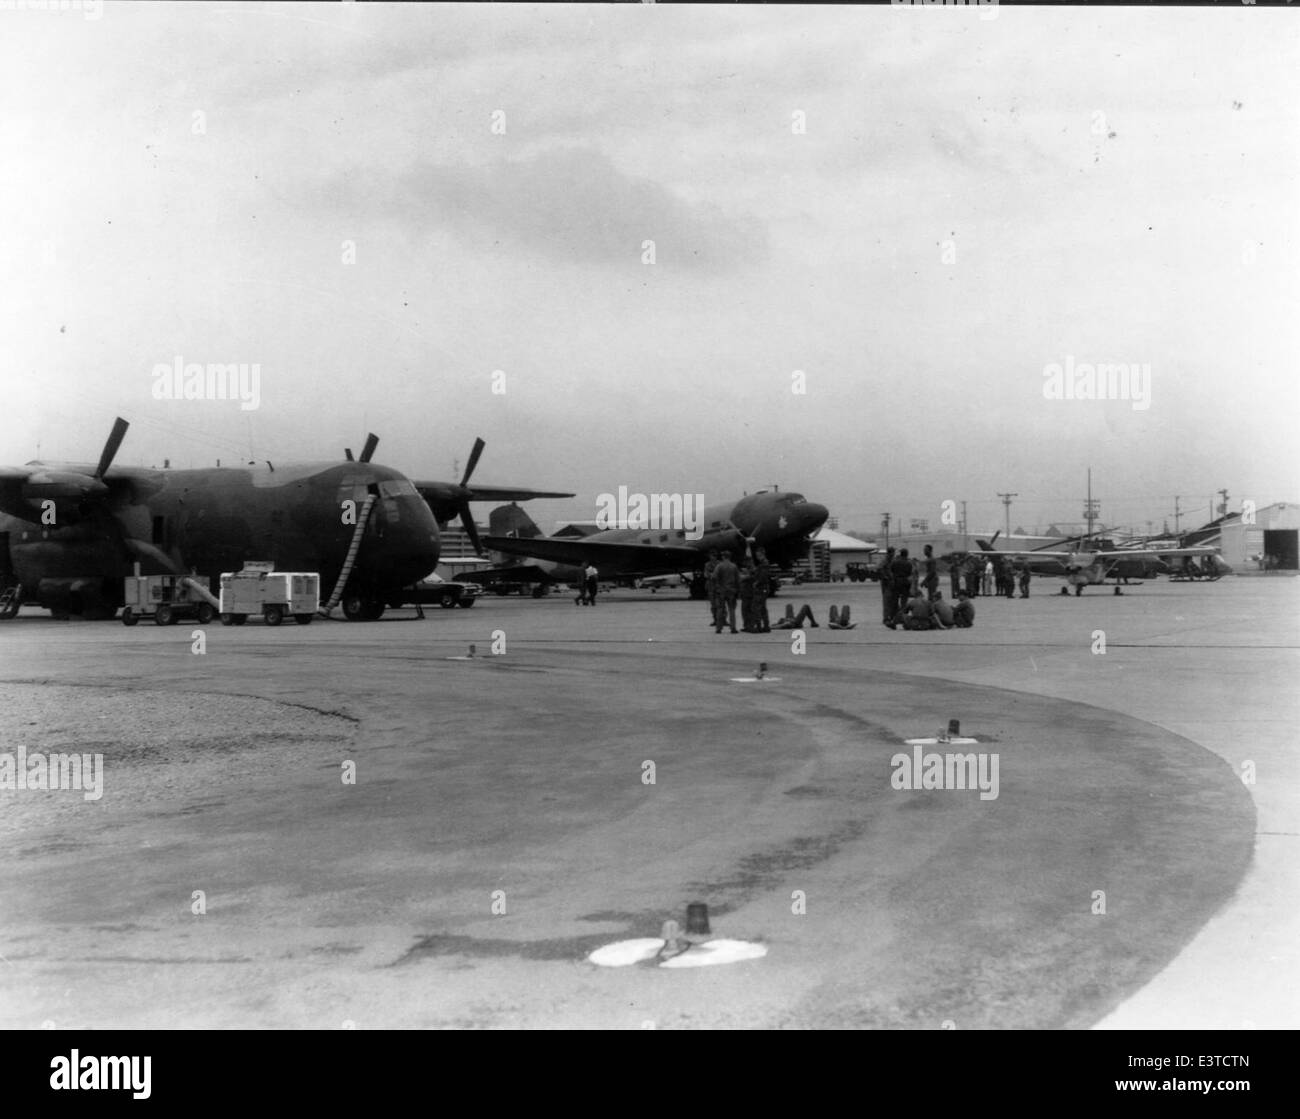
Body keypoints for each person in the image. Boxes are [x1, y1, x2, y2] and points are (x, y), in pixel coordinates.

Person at [713, 550, 740, 634]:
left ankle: (718, 628)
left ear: (723, 557)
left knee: (720, 609)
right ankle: (733, 628)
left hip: (721, 591)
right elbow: (738, 579)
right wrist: (737, 590)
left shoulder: (719, 566)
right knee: (732, 610)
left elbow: (714, 577)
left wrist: (717, 586)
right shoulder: (734, 566)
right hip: (731, 591)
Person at [889, 548, 913, 625]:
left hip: (896, 582)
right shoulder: (909, 563)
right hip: (905, 582)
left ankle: (893, 616)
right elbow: (909, 573)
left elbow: (891, 571)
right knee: (904, 601)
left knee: (895, 600)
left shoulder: (895, 562)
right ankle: (903, 617)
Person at [752, 549, 772, 633]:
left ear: (762, 554)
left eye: (758, 555)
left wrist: (756, 583)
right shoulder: (763, 563)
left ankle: (759, 626)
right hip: (763, 587)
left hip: (761, 588)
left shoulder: (764, 564)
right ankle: (766, 626)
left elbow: (763, 576)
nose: (757, 557)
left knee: (756, 607)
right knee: (763, 607)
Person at [876, 547, 896, 624]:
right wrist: (885, 577)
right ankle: (885, 617)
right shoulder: (885, 561)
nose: (894, 554)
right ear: (890, 553)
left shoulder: (892, 561)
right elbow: (879, 568)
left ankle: (891, 616)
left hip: (892, 583)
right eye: (893, 553)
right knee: (886, 600)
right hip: (886, 584)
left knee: (892, 601)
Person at [739, 557, 756, 632]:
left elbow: (754, 577)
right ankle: (746, 625)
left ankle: (751, 626)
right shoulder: (744, 570)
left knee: (750, 610)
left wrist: (746, 576)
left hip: (750, 592)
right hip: (744, 592)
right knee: (745, 610)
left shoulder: (753, 570)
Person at [704, 550, 720, 628]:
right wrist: (713, 575)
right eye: (711, 556)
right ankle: (715, 620)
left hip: (718, 586)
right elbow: (706, 575)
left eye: (713, 556)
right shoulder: (707, 564)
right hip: (711, 587)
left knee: (720, 604)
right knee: (713, 605)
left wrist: (712, 574)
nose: (712, 557)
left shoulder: (719, 564)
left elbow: (720, 575)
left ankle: (723, 620)